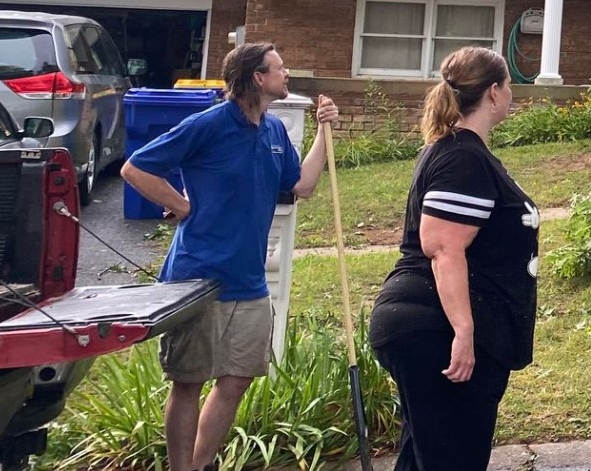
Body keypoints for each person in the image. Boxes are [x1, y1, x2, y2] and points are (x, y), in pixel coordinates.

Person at [120, 42, 340, 471]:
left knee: (237, 379)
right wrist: (182, 205)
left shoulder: (274, 130)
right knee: (188, 382)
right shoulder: (208, 124)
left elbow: (304, 185)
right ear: (258, 78)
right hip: (198, 276)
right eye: (279, 68)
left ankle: (200, 464)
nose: (287, 73)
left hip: (249, 280)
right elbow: (136, 168)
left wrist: (323, 133)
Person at [369, 47, 539, 471]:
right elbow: (443, 247)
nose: (511, 96)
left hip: (430, 326)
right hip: (436, 329)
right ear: (495, 93)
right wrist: (464, 332)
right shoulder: (463, 157)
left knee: (424, 455)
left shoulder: (458, 151)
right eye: (509, 87)